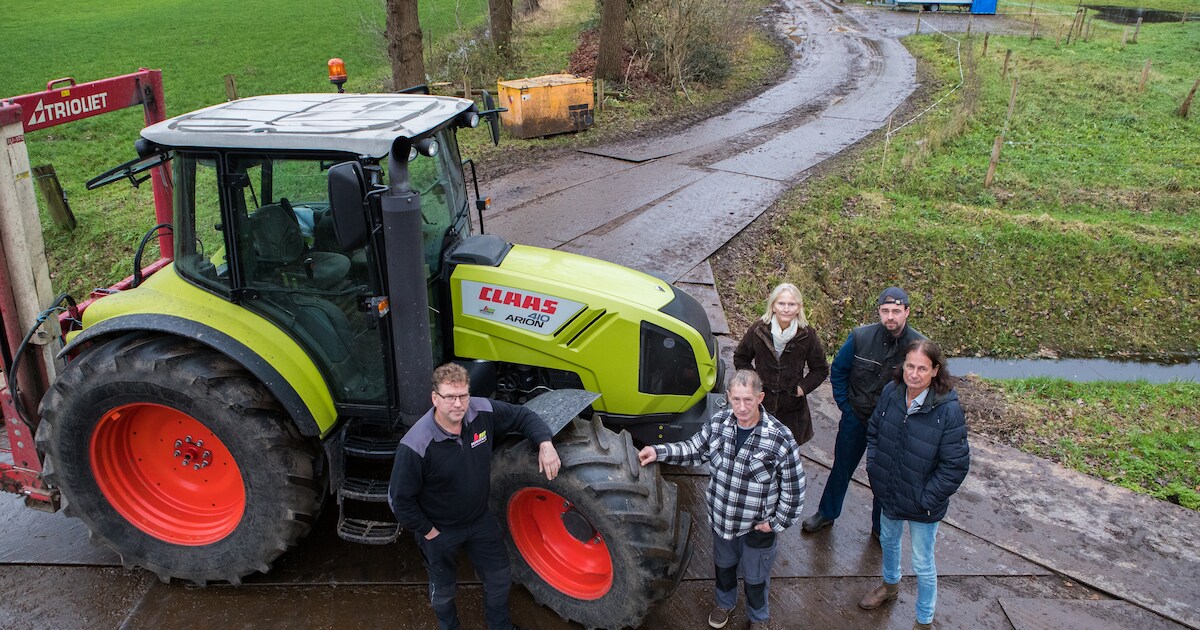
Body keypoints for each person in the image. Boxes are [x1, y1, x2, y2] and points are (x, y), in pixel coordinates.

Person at [389, 363, 561, 630]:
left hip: (480, 521)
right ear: (435, 398)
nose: (458, 404)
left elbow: (524, 416)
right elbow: (400, 500)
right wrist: (429, 532)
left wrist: (545, 443)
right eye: (450, 397)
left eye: (463, 395)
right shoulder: (415, 445)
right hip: (440, 529)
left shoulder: (481, 411)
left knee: (500, 579)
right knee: (444, 591)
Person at [638, 369, 804, 630]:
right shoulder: (719, 424)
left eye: (748, 400)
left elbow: (794, 487)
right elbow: (694, 449)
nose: (742, 407)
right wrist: (658, 451)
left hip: (756, 527)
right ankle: (724, 603)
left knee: (755, 578)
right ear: (727, 397)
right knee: (724, 568)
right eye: (736, 399)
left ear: (760, 397)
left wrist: (777, 522)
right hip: (722, 521)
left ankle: (757, 617)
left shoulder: (779, 438)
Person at [858, 340, 970, 630]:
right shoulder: (891, 392)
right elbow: (873, 433)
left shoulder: (948, 411)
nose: (914, 373)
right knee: (889, 542)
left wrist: (926, 498)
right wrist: (875, 470)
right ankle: (890, 587)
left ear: (935, 371)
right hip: (890, 491)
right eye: (910, 366)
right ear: (903, 366)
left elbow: (955, 466)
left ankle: (923, 620)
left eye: (922, 368)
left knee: (922, 562)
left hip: (924, 504)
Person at [802, 286, 925, 538]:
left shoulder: (919, 347)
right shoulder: (860, 337)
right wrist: (845, 406)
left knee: (885, 477)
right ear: (879, 311)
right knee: (841, 468)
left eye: (896, 311)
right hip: (856, 418)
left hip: (892, 425)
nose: (890, 316)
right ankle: (827, 513)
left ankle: (880, 529)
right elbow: (838, 371)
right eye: (885, 311)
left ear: (907, 312)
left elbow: (926, 385)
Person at [733, 283, 829, 446]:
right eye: (781, 303)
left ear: (798, 308)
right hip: (759, 403)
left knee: (784, 455)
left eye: (791, 304)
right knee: (754, 448)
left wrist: (802, 388)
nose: (786, 309)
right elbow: (741, 357)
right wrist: (753, 383)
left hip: (791, 409)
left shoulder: (807, 334)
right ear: (773, 306)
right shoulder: (758, 330)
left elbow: (820, 369)